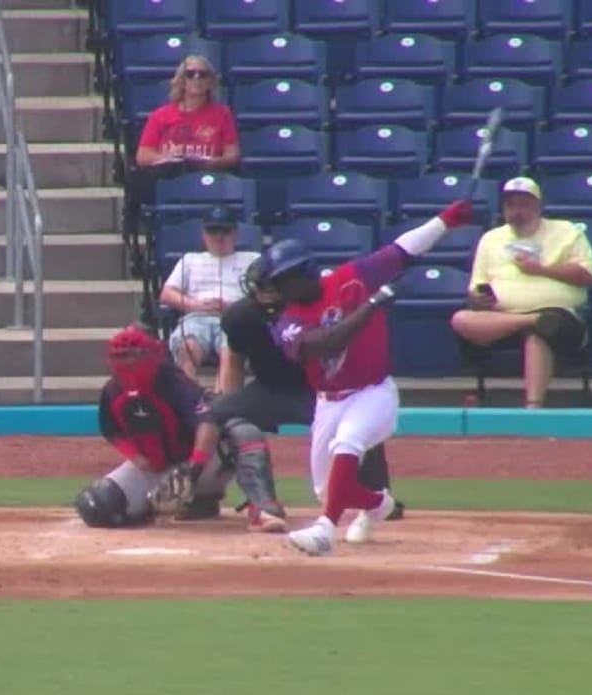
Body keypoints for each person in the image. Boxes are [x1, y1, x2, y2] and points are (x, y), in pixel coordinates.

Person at [257, 198, 476, 556]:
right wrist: (373, 304)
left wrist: (446, 221)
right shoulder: (287, 321)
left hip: (373, 392)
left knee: (349, 443)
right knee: (327, 490)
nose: (275, 290)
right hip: (327, 401)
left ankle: (324, 531)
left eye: (280, 282)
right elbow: (325, 344)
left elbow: (403, 250)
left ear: (300, 276)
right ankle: (378, 504)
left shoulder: (351, 278)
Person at [182, 279, 406, 538]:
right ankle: (236, 501)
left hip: (315, 392)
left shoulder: (313, 307)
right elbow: (234, 360)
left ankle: (378, 492)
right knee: (217, 412)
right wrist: (229, 401)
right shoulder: (242, 316)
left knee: (357, 421)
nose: (267, 293)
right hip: (267, 390)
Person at [450, 177, 592, 408]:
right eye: (511, 205)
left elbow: (588, 276)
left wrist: (540, 269)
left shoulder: (567, 231)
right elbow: (476, 287)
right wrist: (478, 298)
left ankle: (533, 406)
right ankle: (531, 320)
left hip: (559, 317)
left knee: (538, 334)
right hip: (501, 318)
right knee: (461, 319)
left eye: (524, 205)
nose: (517, 211)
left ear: (538, 206)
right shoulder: (491, 239)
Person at [74, 325, 235, 527]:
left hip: (193, 460)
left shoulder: (173, 382)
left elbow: (207, 423)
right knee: (97, 505)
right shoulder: (112, 390)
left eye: (131, 356)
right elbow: (111, 431)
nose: (126, 363)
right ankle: (150, 506)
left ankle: (203, 499)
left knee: (235, 439)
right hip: (154, 464)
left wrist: (194, 467)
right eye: (120, 357)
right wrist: (136, 457)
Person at [122, 54, 241, 245]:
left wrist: (212, 162)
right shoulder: (160, 116)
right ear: (181, 81)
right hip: (172, 173)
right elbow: (143, 156)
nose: (196, 79)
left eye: (202, 74)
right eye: (190, 74)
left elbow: (233, 154)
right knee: (138, 177)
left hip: (206, 172)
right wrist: (167, 155)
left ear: (210, 81)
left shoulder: (222, 114)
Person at [158, 206, 259, 382]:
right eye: (213, 231)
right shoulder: (190, 260)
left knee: (231, 349)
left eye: (225, 231)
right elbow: (166, 294)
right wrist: (195, 305)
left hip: (235, 319)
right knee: (187, 348)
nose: (219, 237)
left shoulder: (253, 259)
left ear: (235, 233)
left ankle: (222, 399)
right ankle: (191, 400)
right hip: (197, 317)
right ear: (204, 234)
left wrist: (237, 307)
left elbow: (265, 294)